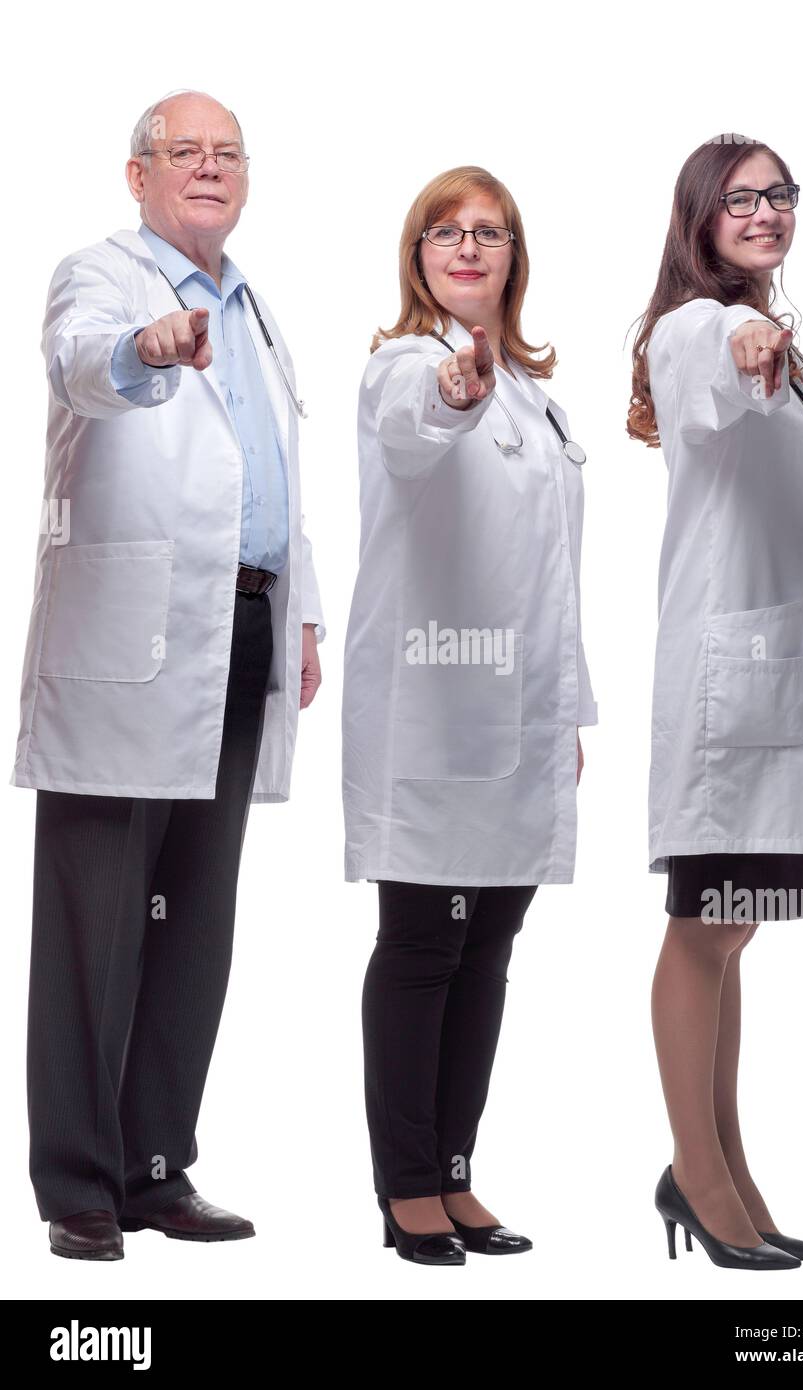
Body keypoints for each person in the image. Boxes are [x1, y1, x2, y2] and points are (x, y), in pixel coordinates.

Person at [11, 89, 324, 1260]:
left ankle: (154, 1164)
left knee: (192, 916)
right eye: (182, 151)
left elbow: (272, 474)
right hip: (129, 645)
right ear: (135, 175)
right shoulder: (101, 277)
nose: (208, 167)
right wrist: (146, 349)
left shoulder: (251, 305)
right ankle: (79, 1180)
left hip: (239, 628)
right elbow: (81, 364)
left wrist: (304, 619)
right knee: (99, 915)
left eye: (227, 152)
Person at [342, 166, 597, 1264]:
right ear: (416, 255)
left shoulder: (538, 397)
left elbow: (552, 573)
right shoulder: (405, 368)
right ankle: (405, 1186)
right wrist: (455, 388)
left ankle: (454, 1169)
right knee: (422, 946)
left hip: (521, 716)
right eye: (444, 230)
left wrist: (565, 712)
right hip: (436, 705)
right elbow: (415, 429)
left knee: (488, 949)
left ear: (512, 257)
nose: (467, 246)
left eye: (488, 231)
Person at [628, 135, 803, 1270]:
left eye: (778, 195)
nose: (766, 211)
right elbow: (726, 351)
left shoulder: (771, 338)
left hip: (772, 685)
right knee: (703, 926)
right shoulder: (696, 327)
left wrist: (771, 340)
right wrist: (752, 336)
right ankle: (700, 1177)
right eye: (741, 199)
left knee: (730, 935)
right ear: (700, 219)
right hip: (734, 695)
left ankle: (722, 1166)